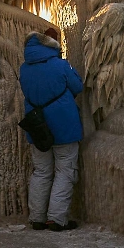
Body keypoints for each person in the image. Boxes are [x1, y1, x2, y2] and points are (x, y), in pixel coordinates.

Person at [19, 27, 84, 232]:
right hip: (64, 124)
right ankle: (56, 219)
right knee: (65, 170)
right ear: (54, 45)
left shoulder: (24, 68)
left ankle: (37, 218)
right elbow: (78, 87)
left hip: (38, 126)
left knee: (41, 171)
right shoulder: (60, 65)